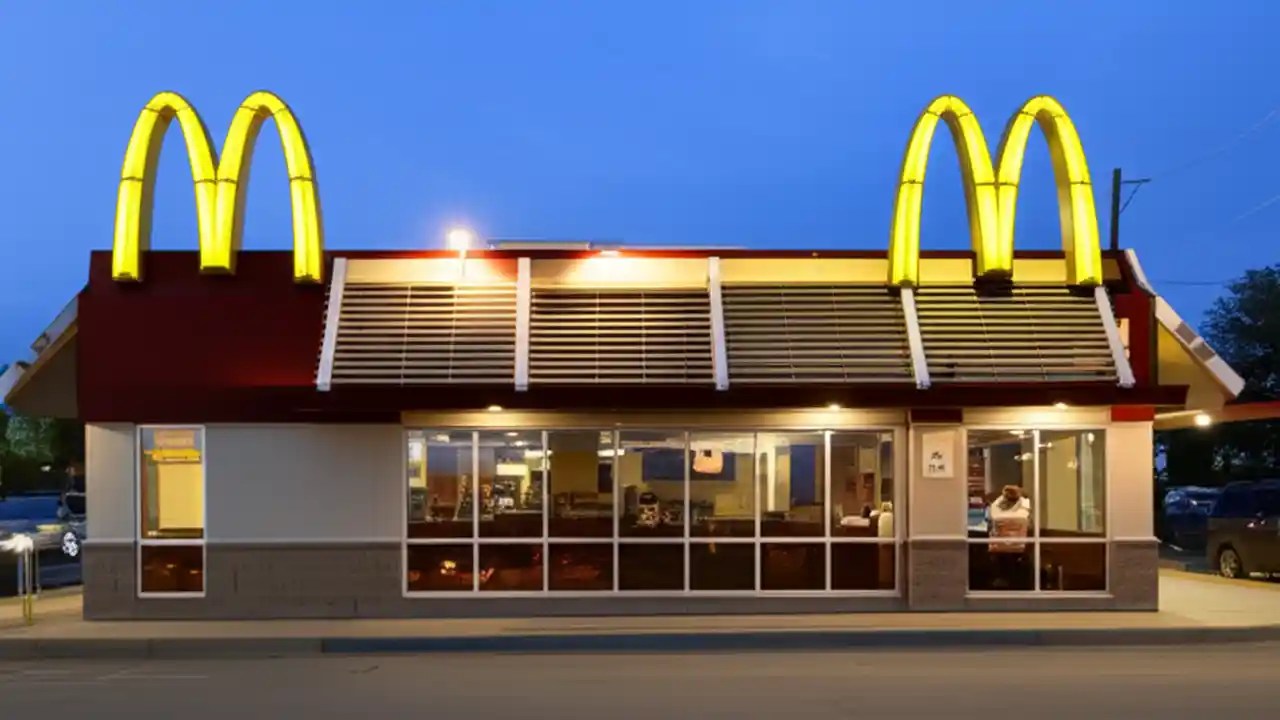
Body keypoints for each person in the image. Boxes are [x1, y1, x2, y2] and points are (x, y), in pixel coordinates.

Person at [988, 485, 1032, 589]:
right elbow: (1026, 505)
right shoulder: (1023, 512)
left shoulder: (996, 512)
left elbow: (993, 509)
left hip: (999, 548)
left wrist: (1001, 495)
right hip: (1019, 549)